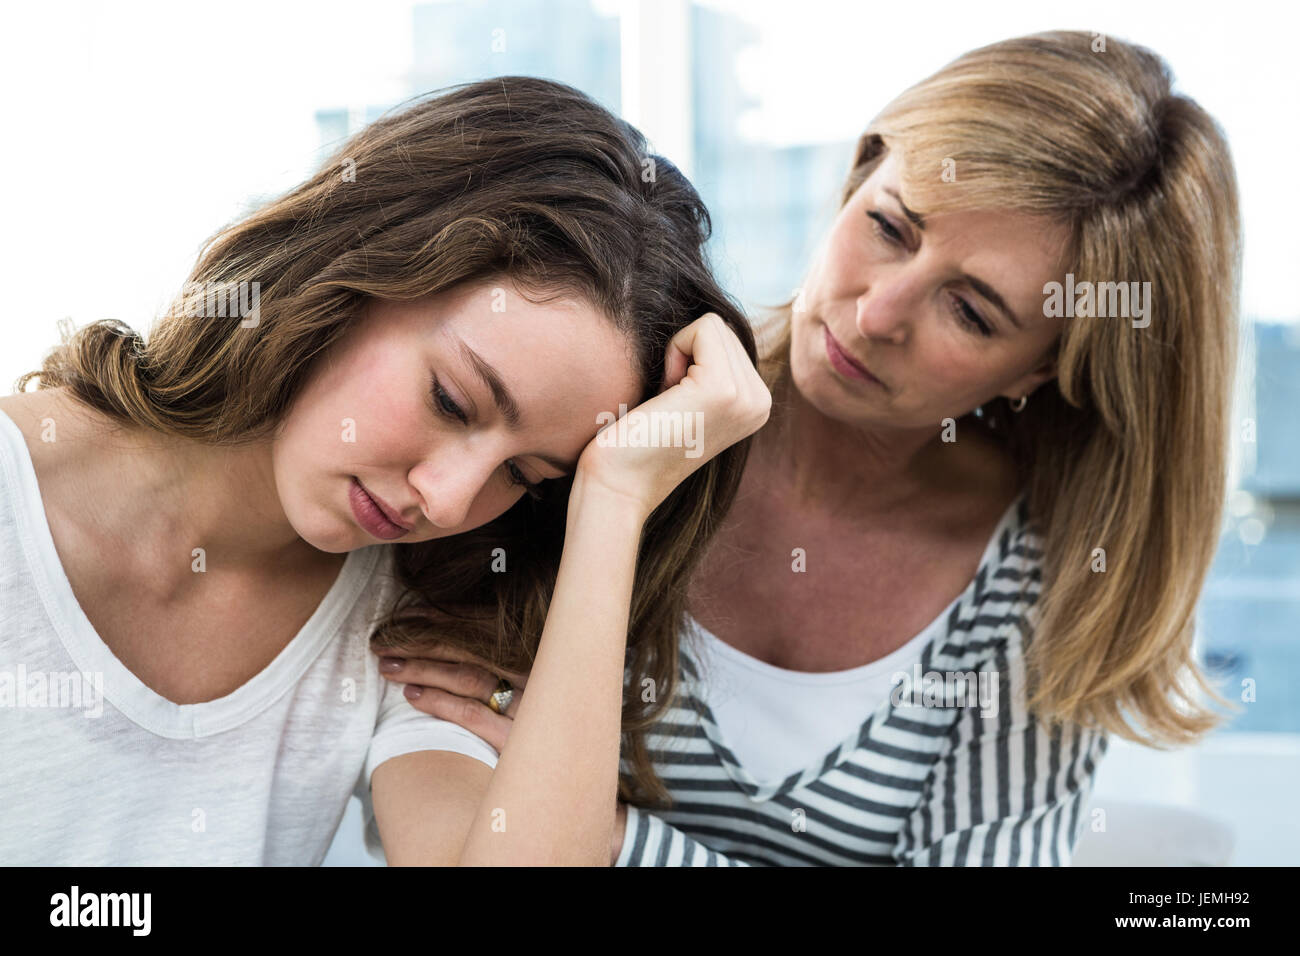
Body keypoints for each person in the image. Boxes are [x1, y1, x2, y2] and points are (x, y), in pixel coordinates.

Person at [383, 31, 1242, 865]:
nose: (876, 313)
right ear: (861, 173)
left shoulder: (1039, 591)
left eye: (972, 311)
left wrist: (608, 838)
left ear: (1047, 367)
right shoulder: (620, 412)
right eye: (892, 228)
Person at [0, 76, 768, 865]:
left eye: (528, 477)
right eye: (451, 399)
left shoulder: (408, 629)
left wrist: (614, 498)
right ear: (356, 265)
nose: (446, 497)